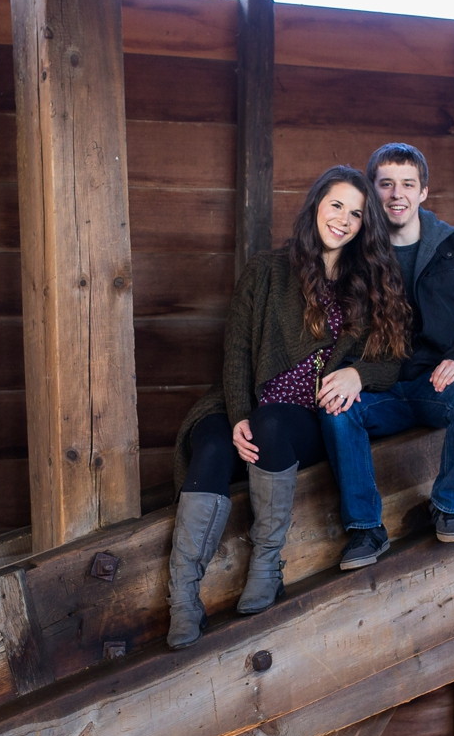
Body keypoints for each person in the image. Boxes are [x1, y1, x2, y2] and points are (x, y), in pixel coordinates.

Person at [167, 165, 412, 649]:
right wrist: (237, 415)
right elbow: (236, 351)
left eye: (356, 214)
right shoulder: (266, 270)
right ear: (317, 205)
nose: (343, 219)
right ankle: (182, 599)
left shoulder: (370, 284)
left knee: (273, 422)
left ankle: (266, 564)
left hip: (300, 419)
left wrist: (357, 373)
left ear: (365, 226)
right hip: (243, 398)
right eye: (336, 205)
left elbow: (392, 360)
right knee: (213, 448)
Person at [320, 142, 454, 569]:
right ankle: (365, 529)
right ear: (371, 191)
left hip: (436, 384)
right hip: (378, 388)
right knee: (334, 409)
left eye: (408, 184)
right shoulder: (353, 252)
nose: (397, 194)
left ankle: (446, 504)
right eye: (386, 185)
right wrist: (355, 374)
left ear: (424, 192)